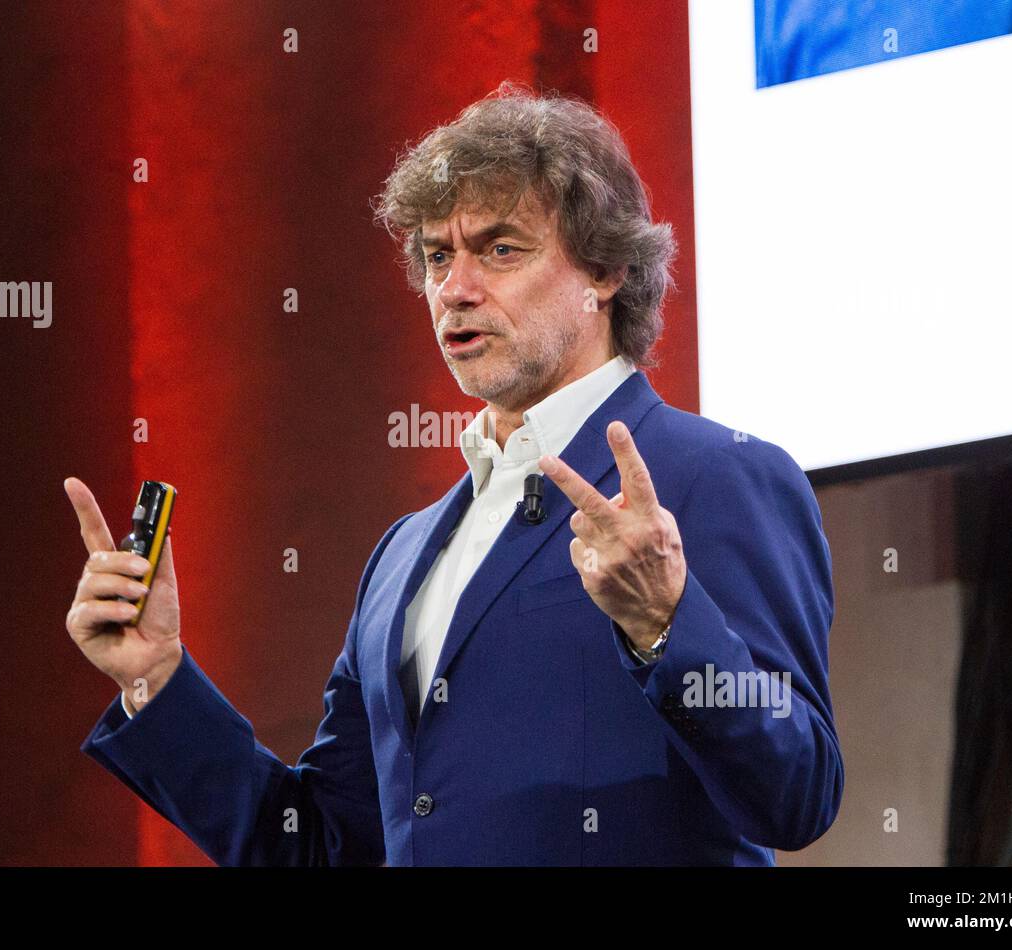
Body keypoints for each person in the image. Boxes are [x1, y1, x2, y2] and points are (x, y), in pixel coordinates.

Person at [64, 82, 843, 866]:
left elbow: (798, 790)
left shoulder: (720, 476)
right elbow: (323, 847)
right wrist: (157, 680)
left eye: (501, 249)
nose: (455, 289)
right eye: (439, 256)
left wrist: (668, 623)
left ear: (603, 272)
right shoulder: (403, 554)